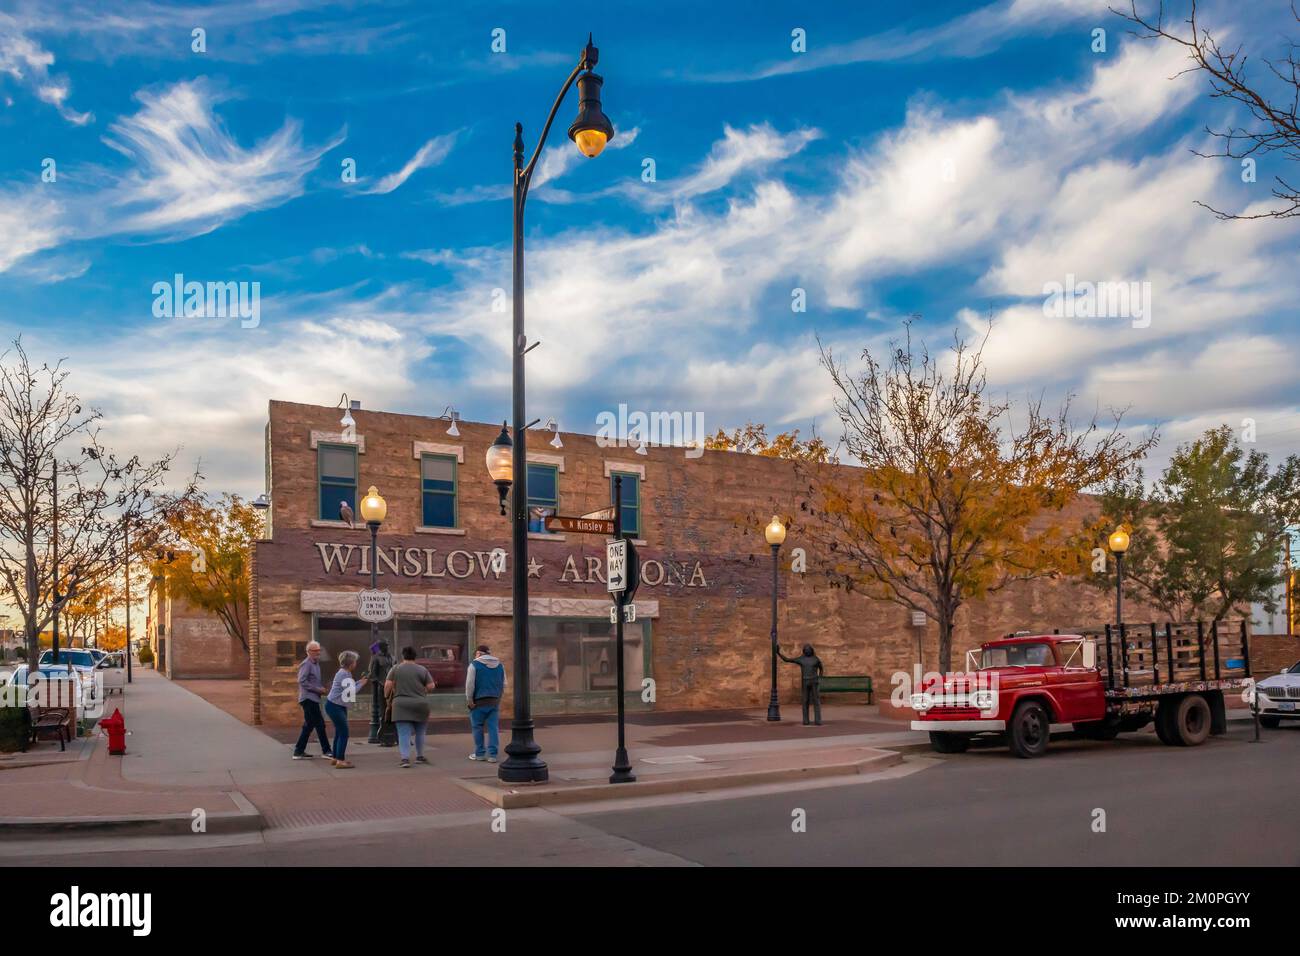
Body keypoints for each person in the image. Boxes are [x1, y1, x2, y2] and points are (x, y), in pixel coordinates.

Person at [384, 646, 435, 768]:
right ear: (415, 656)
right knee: (420, 732)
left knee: (403, 733)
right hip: (420, 704)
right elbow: (431, 685)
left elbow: (388, 685)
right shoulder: (422, 669)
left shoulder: (395, 669)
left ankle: (405, 759)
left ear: (403, 656)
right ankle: (420, 756)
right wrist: (423, 691)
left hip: (401, 704)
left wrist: (387, 697)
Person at [325, 650, 368, 769]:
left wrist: (360, 681)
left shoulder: (344, 672)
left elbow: (350, 687)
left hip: (336, 705)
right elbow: (351, 692)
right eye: (355, 661)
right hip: (335, 706)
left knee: (339, 732)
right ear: (350, 663)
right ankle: (340, 760)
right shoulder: (344, 674)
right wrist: (362, 684)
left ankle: (335, 757)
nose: (356, 663)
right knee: (344, 733)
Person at [465, 644, 506, 762]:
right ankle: (493, 755)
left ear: (478, 653)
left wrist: (470, 700)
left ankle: (479, 754)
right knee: (493, 727)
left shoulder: (474, 665)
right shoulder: (500, 665)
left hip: (478, 701)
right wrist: (498, 697)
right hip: (494, 701)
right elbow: (504, 684)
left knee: (477, 727)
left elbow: (469, 685)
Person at [293, 641, 332, 759]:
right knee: (320, 724)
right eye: (315, 651)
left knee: (309, 725)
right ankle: (326, 751)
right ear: (308, 652)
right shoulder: (306, 664)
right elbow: (302, 681)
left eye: (319, 650)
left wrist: (321, 689)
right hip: (308, 698)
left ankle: (298, 751)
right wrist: (317, 690)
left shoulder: (316, 664)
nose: (318, 653)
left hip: (313, 698)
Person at [777, 642, 824, 726]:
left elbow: (821, 669)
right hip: (805, 681)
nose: (807, 651)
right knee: (805, 700)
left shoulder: (816, 659)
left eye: (809, 650)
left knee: (816, 700)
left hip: (814, 681)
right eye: (806, 650)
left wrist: (819, 678)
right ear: (804, 651)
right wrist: (778, 653)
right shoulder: (801, 659)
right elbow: (787, 660)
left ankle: (818, 720)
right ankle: (805, 720)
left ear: (811, 650)